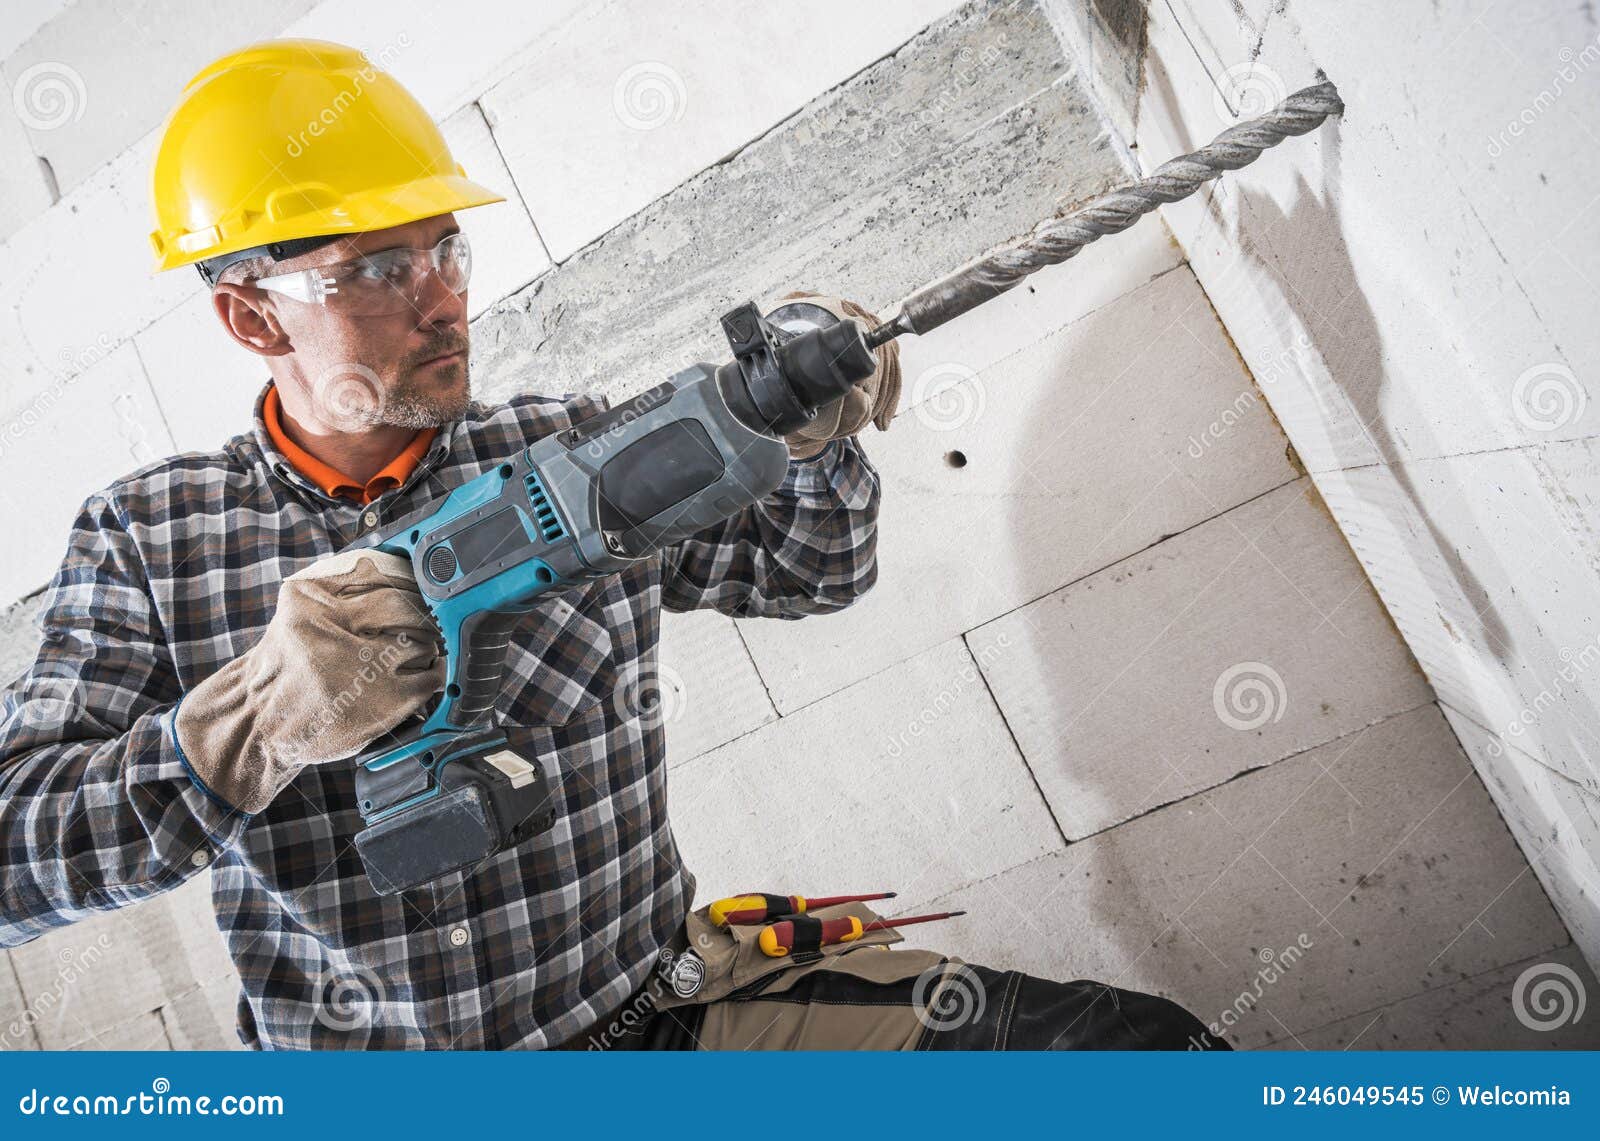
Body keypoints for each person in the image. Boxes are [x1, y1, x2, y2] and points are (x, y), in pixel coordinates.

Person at [0, 39, 1219, 1051]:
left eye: (446, 250)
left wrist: (812, 442)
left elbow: (814, 570)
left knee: (1135, 1060)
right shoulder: (150, 538)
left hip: (666, 1017)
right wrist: (253, 722)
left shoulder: (568, 453)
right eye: (377, 268)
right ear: (250, 314)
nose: (443, 297)